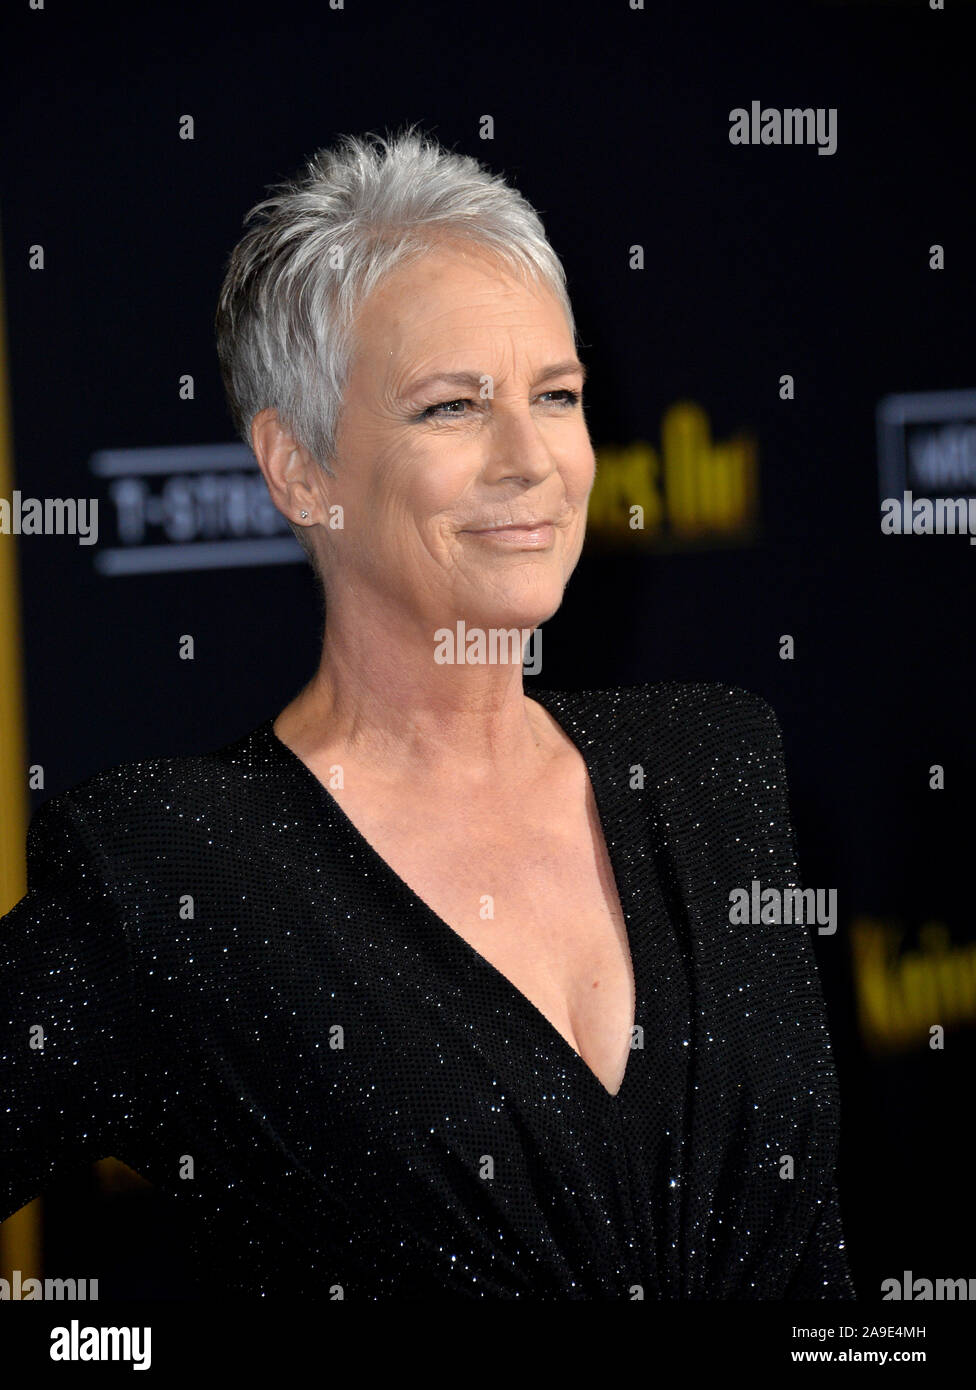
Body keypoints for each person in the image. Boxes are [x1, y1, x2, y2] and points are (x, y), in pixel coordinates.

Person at [0, 128, 854, 1299]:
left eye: (556, 395)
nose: (530, 459)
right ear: (300, 468)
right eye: (452, 407)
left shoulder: (712, 768)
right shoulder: (179, 873)